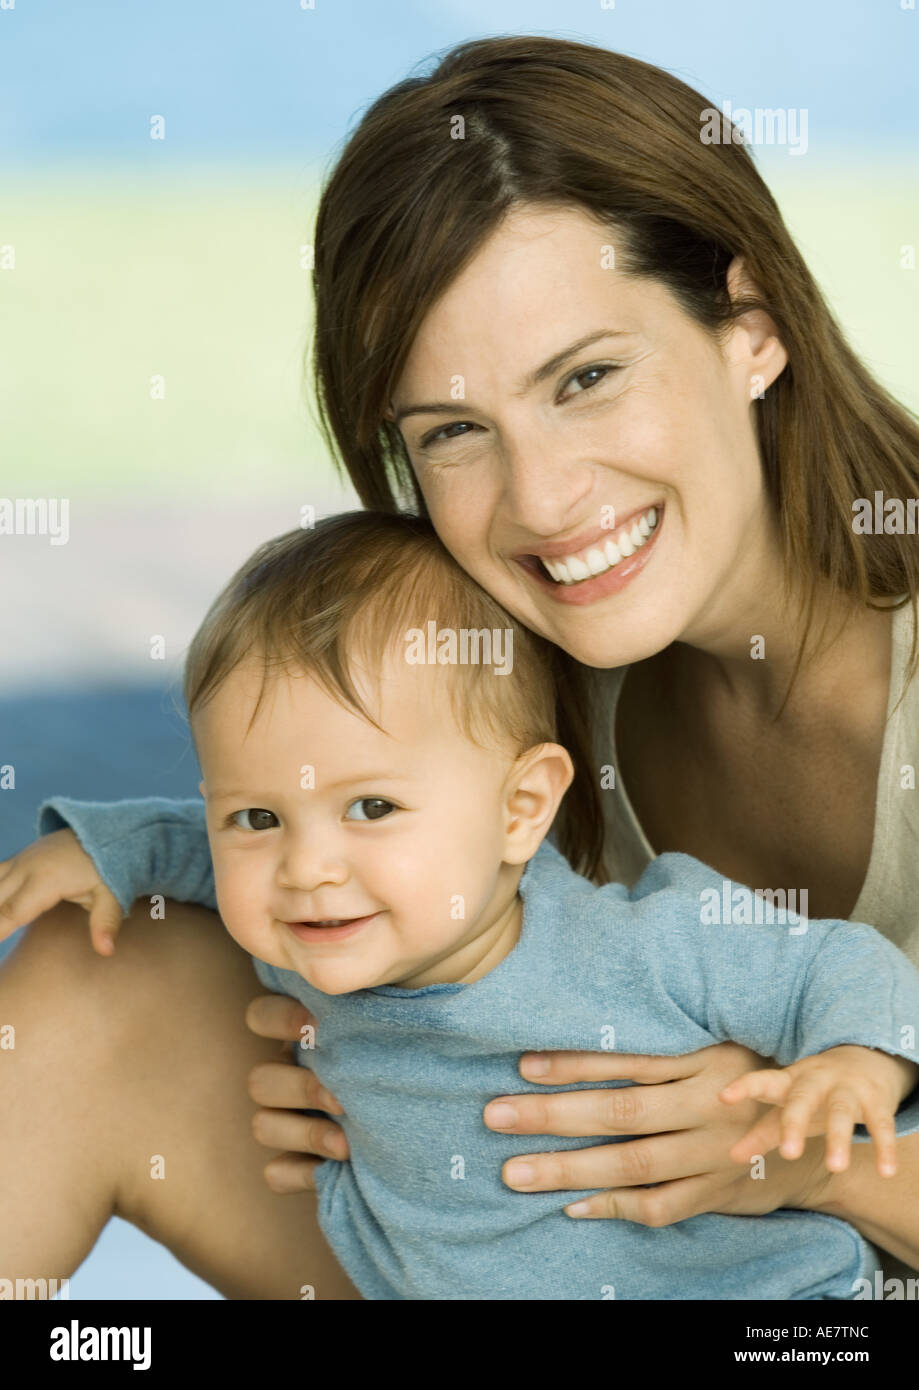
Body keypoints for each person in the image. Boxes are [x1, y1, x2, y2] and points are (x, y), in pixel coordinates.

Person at [2, 34, 919, 1296]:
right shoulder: (485, 651)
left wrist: (794, 1155)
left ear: (749, 331)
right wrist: (375, 1094)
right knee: (94, 974)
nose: (543, 501)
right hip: (533, 1255)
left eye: (587, 378)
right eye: (454, 431)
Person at [5, 511, 919, 1300]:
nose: (306, 867)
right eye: (259, 816)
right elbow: (196, 847)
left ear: (520, 808)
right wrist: (102, 850)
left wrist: (853, 1068)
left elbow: (836, 965)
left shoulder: (648, 945)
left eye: (372, 808)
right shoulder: (313, 923)